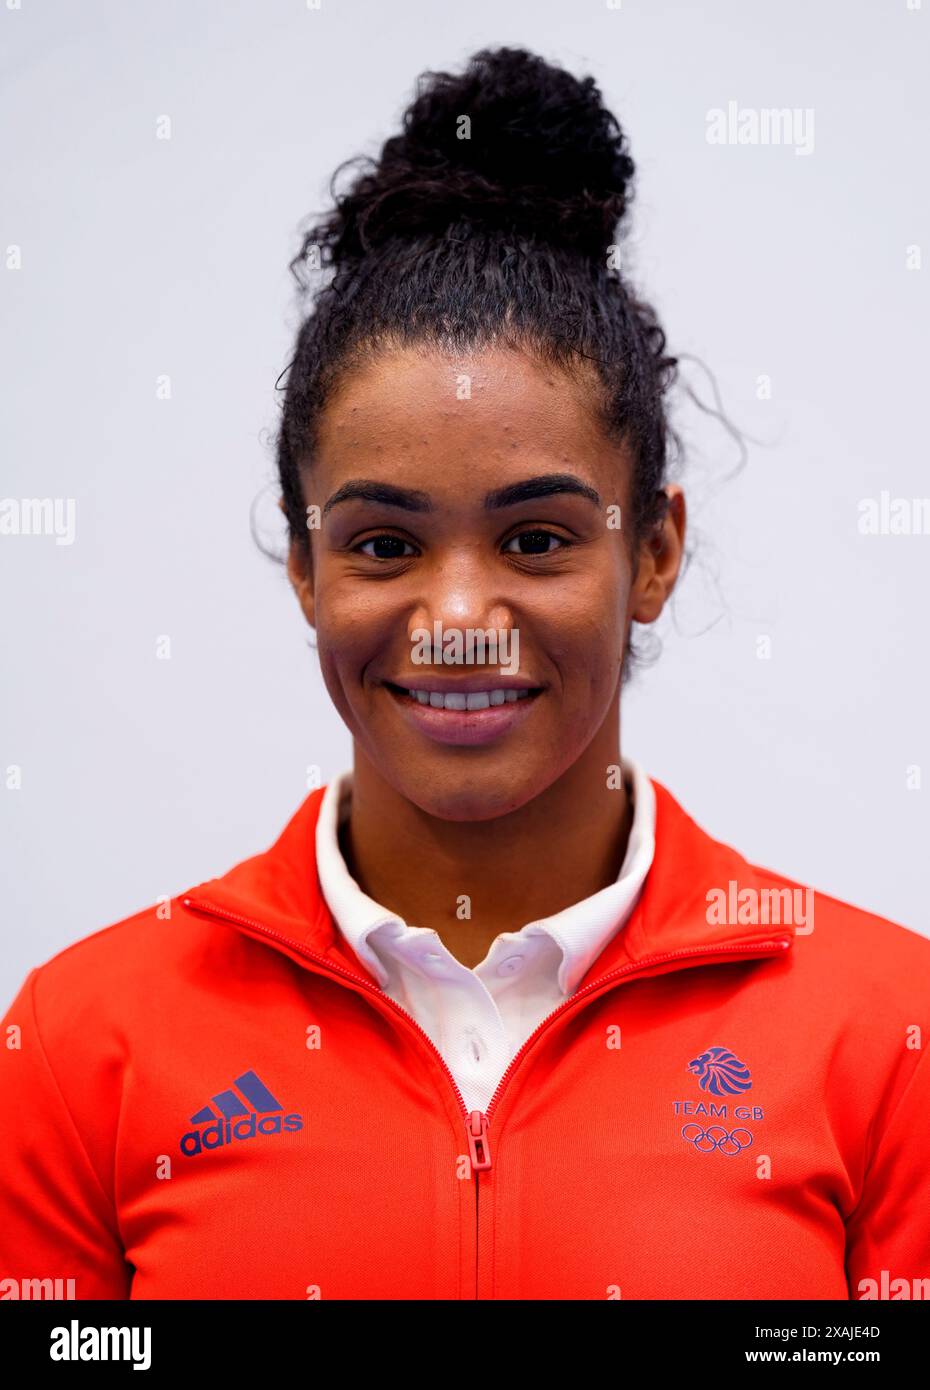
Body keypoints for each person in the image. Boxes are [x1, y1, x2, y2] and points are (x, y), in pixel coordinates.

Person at [1, 45, 928, 1302]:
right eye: (383, 544)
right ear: (305, 569)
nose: (457, 618)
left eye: (538, 538)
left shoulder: (886, 1032)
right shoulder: (75, 1042)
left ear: (652, 552)